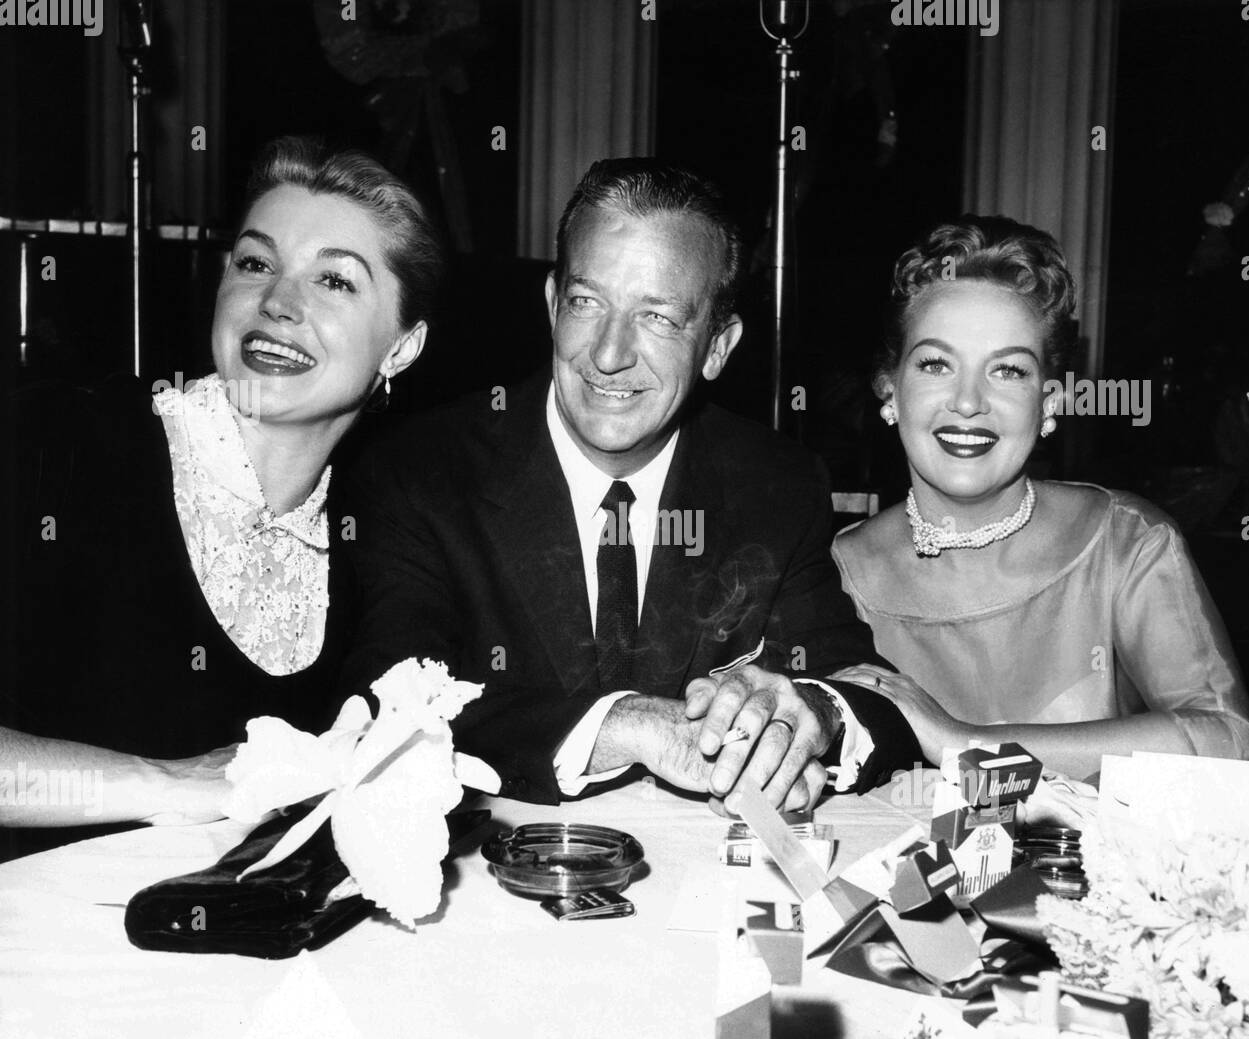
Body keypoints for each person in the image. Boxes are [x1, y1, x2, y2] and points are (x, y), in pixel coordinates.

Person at [341, 158, 918, 813]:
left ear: (718, 347)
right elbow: (381, 703)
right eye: (588, 303)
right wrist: (628, 727)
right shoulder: (420, 474)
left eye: (659, 318)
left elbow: (867, 690)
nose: (610, 354)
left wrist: (812, 716)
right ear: (554, 304)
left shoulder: (775, 485)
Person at [0, 136, 439, 836]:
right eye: (256, 263)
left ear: (402, 348)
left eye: (334, 281)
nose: (278, 302)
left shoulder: (383, 542)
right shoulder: (58, 442)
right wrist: (164, 785)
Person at [831, 215, 1249, 779]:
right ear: (890, 388)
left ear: (1051, 401)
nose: (968, 401)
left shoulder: (1126, 540)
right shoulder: (839, 571)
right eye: (936, 364)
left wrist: (965, 742)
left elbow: (1233, 742)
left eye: (1008, 371)